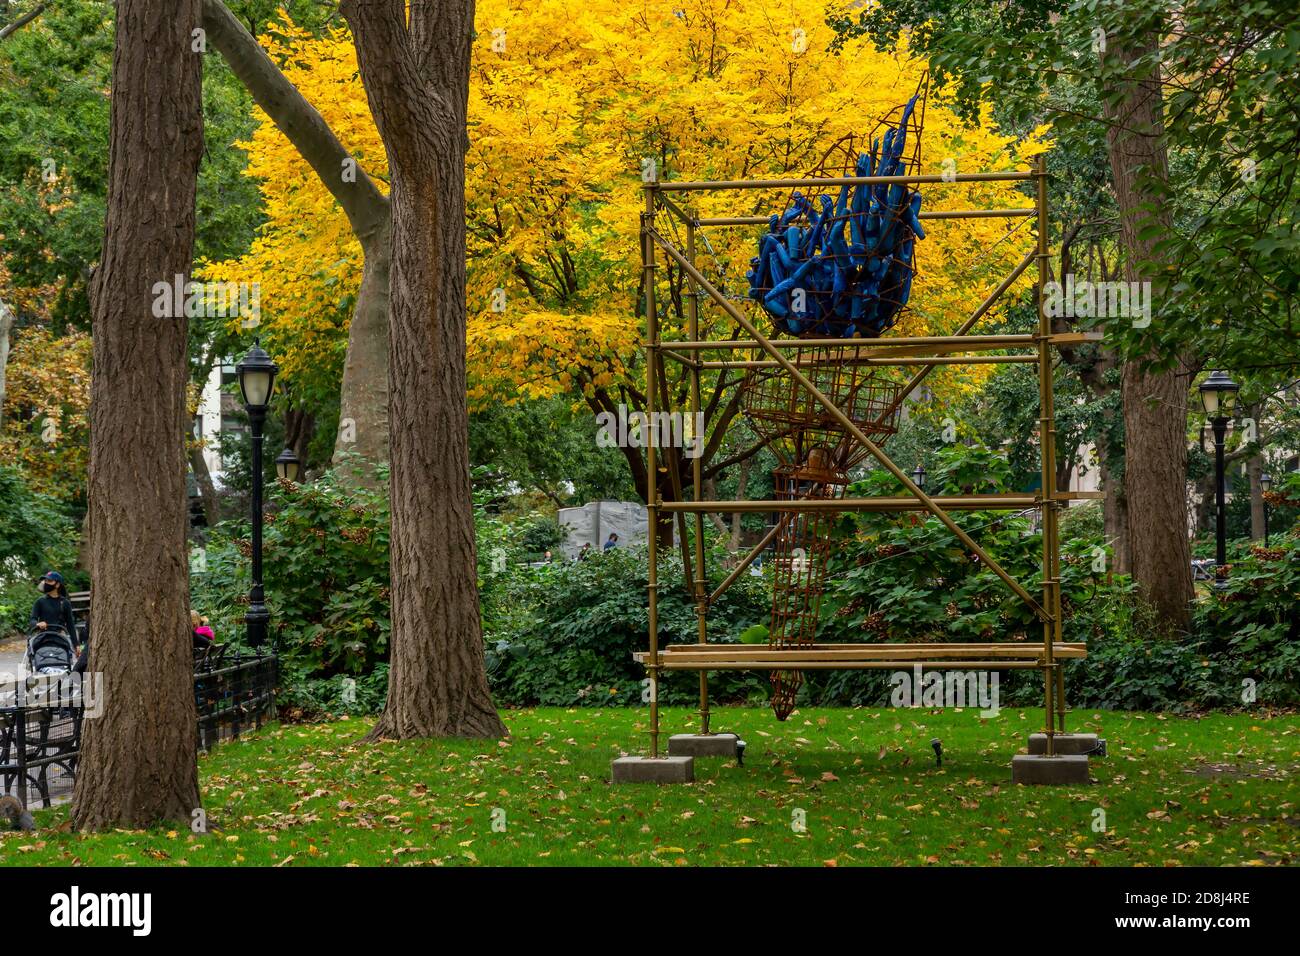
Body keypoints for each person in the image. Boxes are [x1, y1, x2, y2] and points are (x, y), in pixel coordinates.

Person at [30, 571, 76, 638]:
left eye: (50, 581)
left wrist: (76, 645)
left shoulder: (65, 603)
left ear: (57, 584)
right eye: (45, 580)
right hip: (43, 636)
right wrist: (37, 624)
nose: (46, 583)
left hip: (60, 637)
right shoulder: (40, 601)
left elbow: (70, 625)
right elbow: (32, 620)